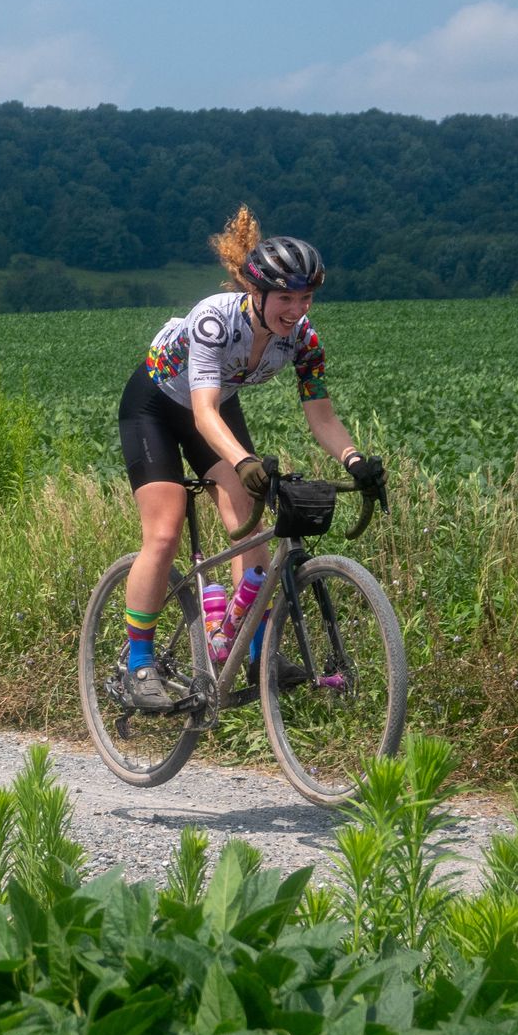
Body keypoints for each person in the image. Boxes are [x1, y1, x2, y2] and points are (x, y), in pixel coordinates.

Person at [114, 205, 385, 711]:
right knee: (165, 531)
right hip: (156, 407)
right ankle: (139, 666)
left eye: (306, 297)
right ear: (255, 293)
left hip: (216, 407)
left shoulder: (303, 339)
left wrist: (355, 461)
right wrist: (243, 462)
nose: (297, 309)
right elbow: (202, 412)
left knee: (252, 521)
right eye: (286, 297)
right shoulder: (214, 320)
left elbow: (323, 417)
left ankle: (257, 653)